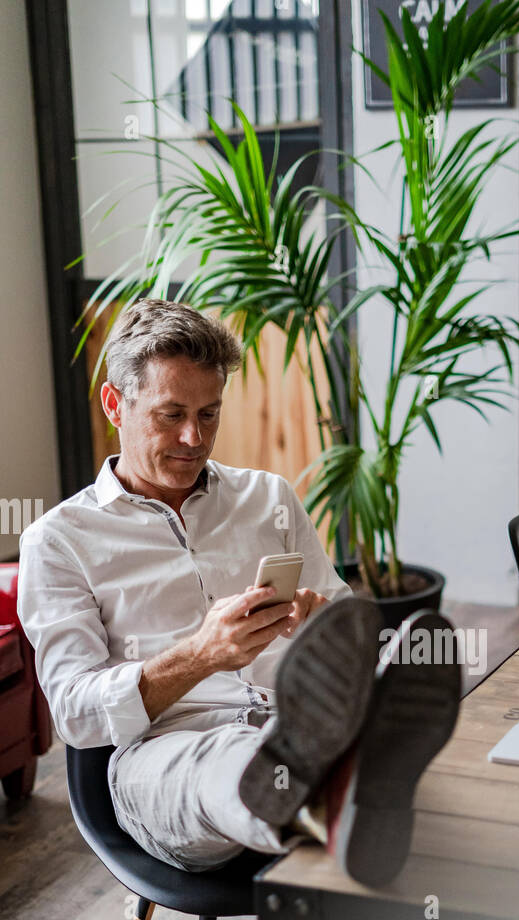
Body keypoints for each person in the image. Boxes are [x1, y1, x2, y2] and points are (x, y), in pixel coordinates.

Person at [17, 300, 460, 886]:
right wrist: (201, 655)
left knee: (345, 685)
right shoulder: (59, 540)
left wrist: (322, 623)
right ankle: (335, 795)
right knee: (221, 762)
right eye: (170, 414)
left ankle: (332, 792)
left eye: (209, 413)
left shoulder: (268, 498)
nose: (192, 437)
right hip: (165, 758)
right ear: (115, 405)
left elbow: (348, 617)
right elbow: (74, 713)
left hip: (289, 718)